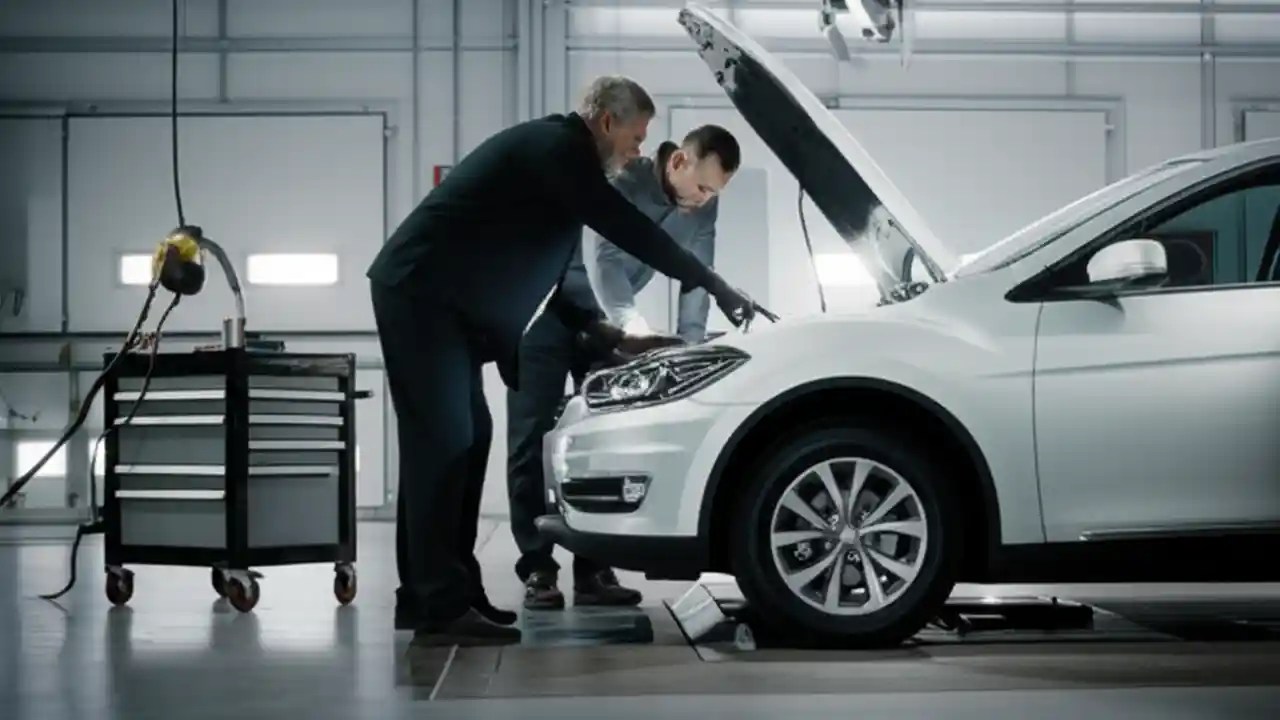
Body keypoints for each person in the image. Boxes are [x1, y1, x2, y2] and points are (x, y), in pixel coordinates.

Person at [366, 75, 770, 647]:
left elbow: (552, 266)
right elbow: (624, 228)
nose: (638, 150)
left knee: (469, 438)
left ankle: (445, 594)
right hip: (419, 297)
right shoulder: (559, 149)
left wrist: (598, 330)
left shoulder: (558, 166)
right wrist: (712, 282)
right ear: (606, 123)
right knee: (444, 443)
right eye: (636, 137)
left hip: (440, 308)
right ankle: (438, 604)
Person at [507, 125, 742, 611]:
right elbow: (606, 261)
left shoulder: (704, 201)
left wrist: (692, 346)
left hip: (605, 323)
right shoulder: (620, 180)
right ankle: (538, 569)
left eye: (715, 192)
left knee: (605, 441)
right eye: (702, 187)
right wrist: (631, 327)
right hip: (546, 313)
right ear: (678, 162)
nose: (704, 200)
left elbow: (697, 270)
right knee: (531, 439)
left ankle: (593, 570)